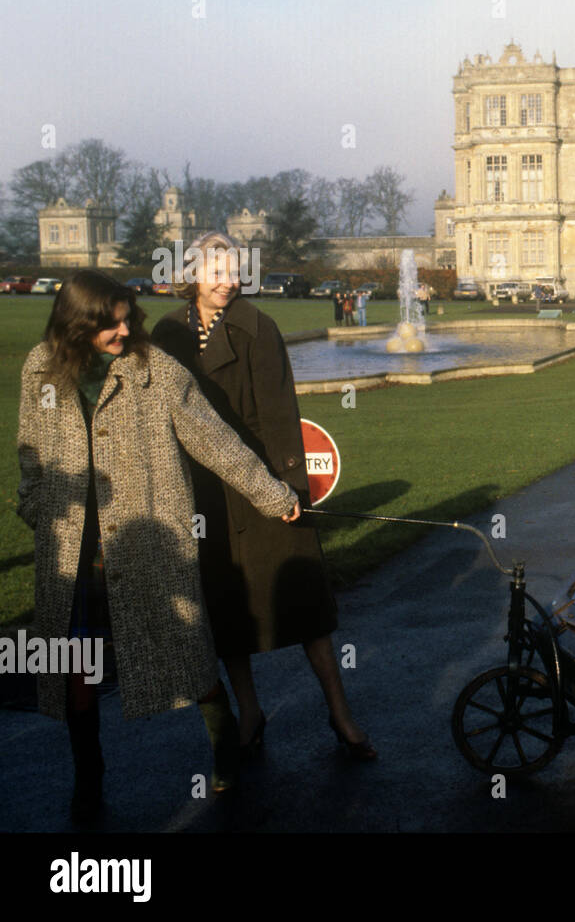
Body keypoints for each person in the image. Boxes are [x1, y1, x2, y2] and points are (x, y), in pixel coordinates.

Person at [17, 270, 302, 820]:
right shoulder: (39, 370)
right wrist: (36, 503)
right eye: (110, 323)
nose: (125, 330)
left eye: (129, 318)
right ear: (77, 324)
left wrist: (273, 494)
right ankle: (88, 776)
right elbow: (30, 450)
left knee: (188, 657)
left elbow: (215, 440)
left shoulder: (157, 372)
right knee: (76, 670)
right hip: (71, 550)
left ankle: (226, 750)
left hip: (151, 544)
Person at [152, 233, 375, 764]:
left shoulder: (259, 328)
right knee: (227, 614)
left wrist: (288, 492)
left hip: (264, 485)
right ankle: (249, 712)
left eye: (235, 271)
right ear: (192, 274)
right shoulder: (165, 333)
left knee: (306, 608)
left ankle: (340, 712)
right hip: (206, 494)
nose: (229, 281)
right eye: (217, 271)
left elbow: (280, 418)